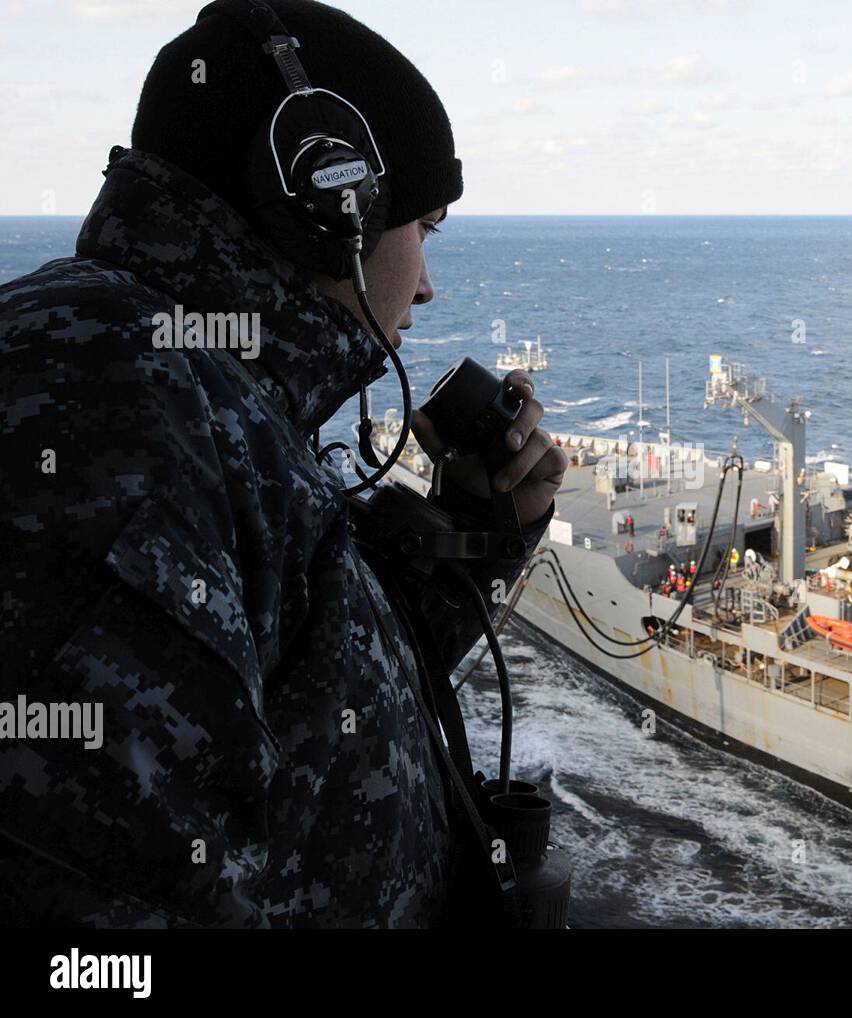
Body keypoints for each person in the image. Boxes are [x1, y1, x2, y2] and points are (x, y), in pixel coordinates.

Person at [0, 0, 566, 928]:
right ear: (329, 207)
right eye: (424, 225)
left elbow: (289, 704)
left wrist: (471, 529)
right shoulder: (116, 417)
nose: (426, 281)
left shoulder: (197, 387)